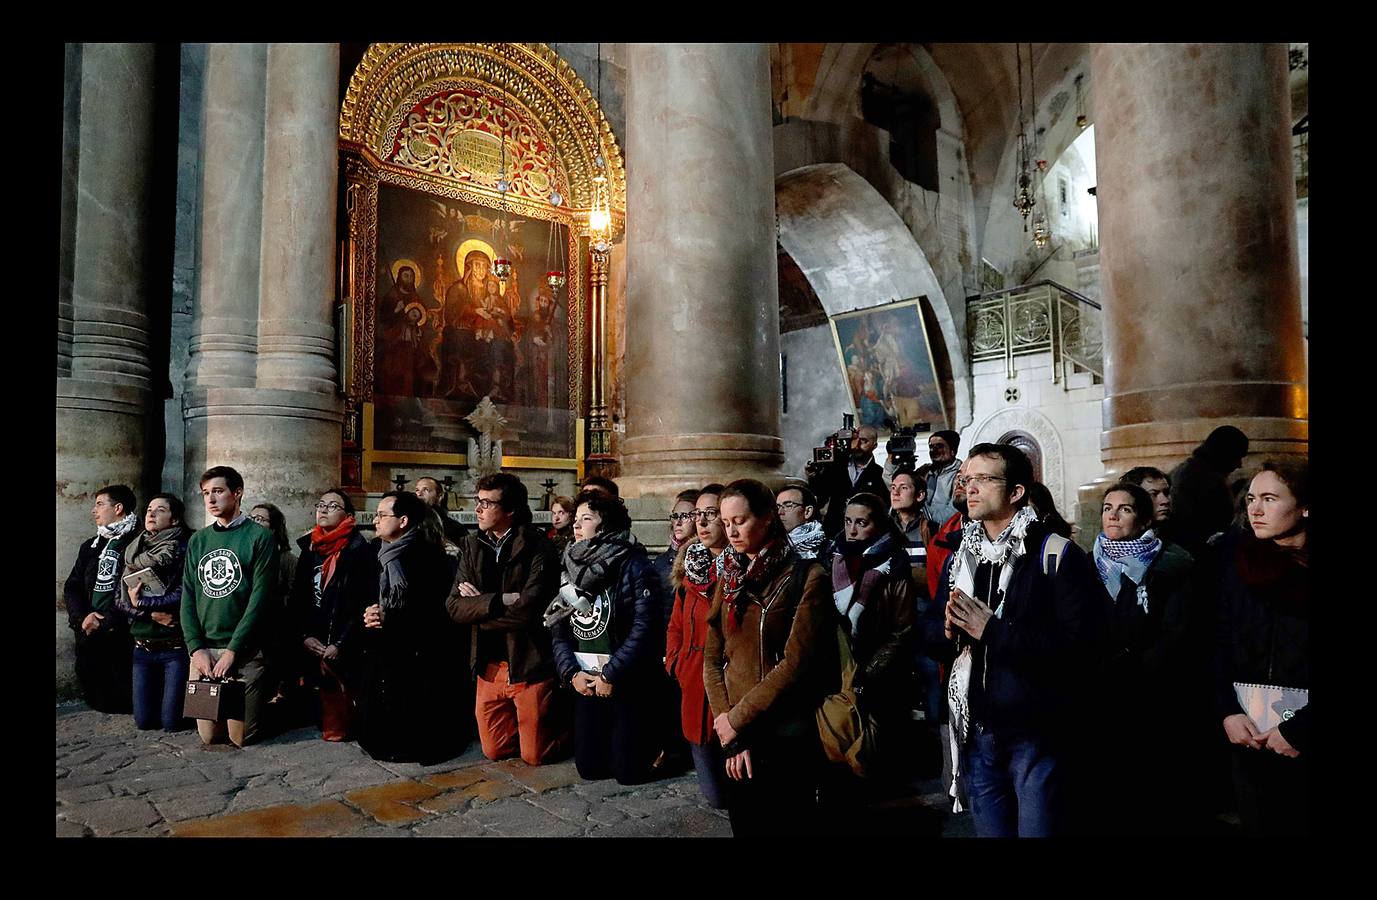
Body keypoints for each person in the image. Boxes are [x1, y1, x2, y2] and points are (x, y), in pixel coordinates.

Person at [931, 443, 1106, 837]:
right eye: (967, 479)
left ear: (1016, 492)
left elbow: (1081, 648)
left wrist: (993, 631)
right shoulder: (962, 557)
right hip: (977, 731)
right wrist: (944, 633)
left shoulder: (1055, 555)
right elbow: (928, 633)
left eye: (984, 479)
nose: (970, 489)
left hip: (1036, 733)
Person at [703, 478, 836, 837]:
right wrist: (726, 726)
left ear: (767, 518)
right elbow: (712, 658)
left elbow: (795, 663)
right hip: (734, 730)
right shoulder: (728, 577)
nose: (731, 531)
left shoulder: (808, 577)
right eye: (726, 522)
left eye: (740, 521)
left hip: (784, 732)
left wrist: (737, 721)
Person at [1092, 482, 1204, 834]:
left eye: (1124, 509)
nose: (1112, 515)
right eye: (1108, 507)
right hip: (1098, 690)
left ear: (1142, 519)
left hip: (1149, 690)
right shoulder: (1088, 563)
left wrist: (1138, 665)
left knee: (1149, 785)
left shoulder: (1169, 565)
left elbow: (1177, 631)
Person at [1214, 460, 1309, 836]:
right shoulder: (1237, 562)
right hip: (1249, 735)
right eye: (1251, 498)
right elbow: (1218, 644)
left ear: (1304, 506)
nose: (1255, 509)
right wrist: (1227, 712)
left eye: (1269, 498)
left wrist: (1300, 731)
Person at [449, 472, 568, 765]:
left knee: (534, 756)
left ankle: (562, 725)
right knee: (495, 750)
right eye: (478, 502)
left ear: (510, 510)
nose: (478, 509)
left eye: (487, 504)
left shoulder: (538, 547)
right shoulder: (472, 545)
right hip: (489, 665)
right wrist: (499, 600)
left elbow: (528, 612)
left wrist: (477, 607)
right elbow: (453, 606)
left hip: (528, 662)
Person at [551, 490, 668, 785]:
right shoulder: (569, 566)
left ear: (606, 526)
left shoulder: (635, 566)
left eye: (586, 519)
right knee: (590, 769)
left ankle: (667, 748)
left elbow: (644, 629)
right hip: (586, 679)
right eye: (575, 519)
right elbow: (559, 627)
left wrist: (611, 674)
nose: (576, 526)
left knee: (629, 773)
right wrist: (571, 673)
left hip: (624, 679)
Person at [356, 491, 468, 763]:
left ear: (403, 520)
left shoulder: (429, 556)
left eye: (383, 515)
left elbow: (435, 609)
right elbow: (369, 595)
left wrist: (390, 616)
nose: (376, 520)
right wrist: (371, 611)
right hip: (385, 646)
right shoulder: (378, 553)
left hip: (421, 650)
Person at [181, 466, 278, 748]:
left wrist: (233, 652)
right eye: (206, 493)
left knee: (241, 738)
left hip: (245, 650)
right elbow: (188, 596)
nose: (211, 499)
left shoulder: (260, 537)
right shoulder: (199, 540)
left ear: (237, 493)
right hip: (206, 650)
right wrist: (195, 649)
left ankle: (274, 703)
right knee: (209, 736)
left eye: (218, 491)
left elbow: (260, 600)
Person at [824, 491, 917, 781]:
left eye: (861, 523)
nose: (851, 530)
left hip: (879, 668)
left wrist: (869, 673)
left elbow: (902, 628)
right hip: (839, 663)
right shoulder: (832, 557)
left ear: (877, 524)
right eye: (848, 521)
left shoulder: (894, 563)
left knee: (875, 749)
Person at [290, 490, 380, 742]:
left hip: (347, 641)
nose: (324, 509)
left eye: (332, 505)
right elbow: (299, 598)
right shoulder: (310, 548)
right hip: (314, 637)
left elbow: (364, 601)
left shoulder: (360, 551)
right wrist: (304, 635)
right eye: (321, 504)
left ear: (348, 515)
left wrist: (341, 643)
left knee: (343, 718)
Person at [666, 484, 732, 808]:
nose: (702, 522)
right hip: (692, 679)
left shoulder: (739, 570)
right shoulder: (688, 568)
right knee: (715, 795)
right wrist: (675, 663)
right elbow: (675, 625)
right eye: (698, 514)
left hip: (729, 688)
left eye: (711, 514)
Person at [115, 493, 191, 731]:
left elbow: (184, 593)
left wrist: (146, 604)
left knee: (171, 723)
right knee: (144, 722)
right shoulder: (132, 552)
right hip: (142, 647)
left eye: (160, 510)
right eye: (149, 509)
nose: (151, 513)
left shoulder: (182, 548)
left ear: (175, 519)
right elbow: (120, 599)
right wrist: (148, 612)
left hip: (174, 648)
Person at [64, 484, 139, 714]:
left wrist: (106, 620)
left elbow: (138, 588)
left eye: (99, 504)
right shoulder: (91, 546)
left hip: (122, 634)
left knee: (122, 701)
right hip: (89, 630)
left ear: (118, 508)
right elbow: (72, 586)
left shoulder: (137, 541)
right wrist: (83, 617)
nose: (93, 510)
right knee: (97, 698)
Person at [249, 502, 301, 714]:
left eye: (260, 519)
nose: (253, 522)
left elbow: (295, 597)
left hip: (276, 631)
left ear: (273, 528)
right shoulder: (243, 554)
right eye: (251, 518)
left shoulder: (287, 560)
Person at [1168, 425, 1249, 558]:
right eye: (1238, 457)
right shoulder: (1205, 479)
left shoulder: (1190, 470)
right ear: (1226, 454)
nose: (1239, 465)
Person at [809, 424, 889, 539]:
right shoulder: (836, 467)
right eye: (853, 440)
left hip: (865, 534)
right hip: (834, 531)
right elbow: (820, 493)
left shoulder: (879, 474)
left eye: (863, 441)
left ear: (874, 445)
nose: (856, 446)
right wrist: (813, 474)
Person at [651, 489, 700, 597]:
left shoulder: (705, 558)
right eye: (675, 516)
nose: (678, 522)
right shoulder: (660, 562)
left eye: (685, 516)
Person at [889, 467, 929, 580]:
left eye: (903, 488)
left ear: (920, 495)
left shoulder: (931, 530)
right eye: (893, 488)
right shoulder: (883, 529)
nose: (895, 493)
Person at [924, 430, 963, 532]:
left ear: (952, 451)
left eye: (939, 446)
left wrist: (920, 513)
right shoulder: (925, 472)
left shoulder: (961, 476)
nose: (934, 451)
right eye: (931, 447)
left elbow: (952, 514)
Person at [776, 482, 826, 560]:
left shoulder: (829, 549)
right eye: (778, 507)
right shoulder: (772, 548)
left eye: (788, 505)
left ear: (807, 512)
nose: (780, 512)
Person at [415, 476, 468, 547]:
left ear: (439, 496)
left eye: (426, 490)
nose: (419, 494)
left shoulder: (455, 528)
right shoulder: (411, 523)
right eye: (417, 490)